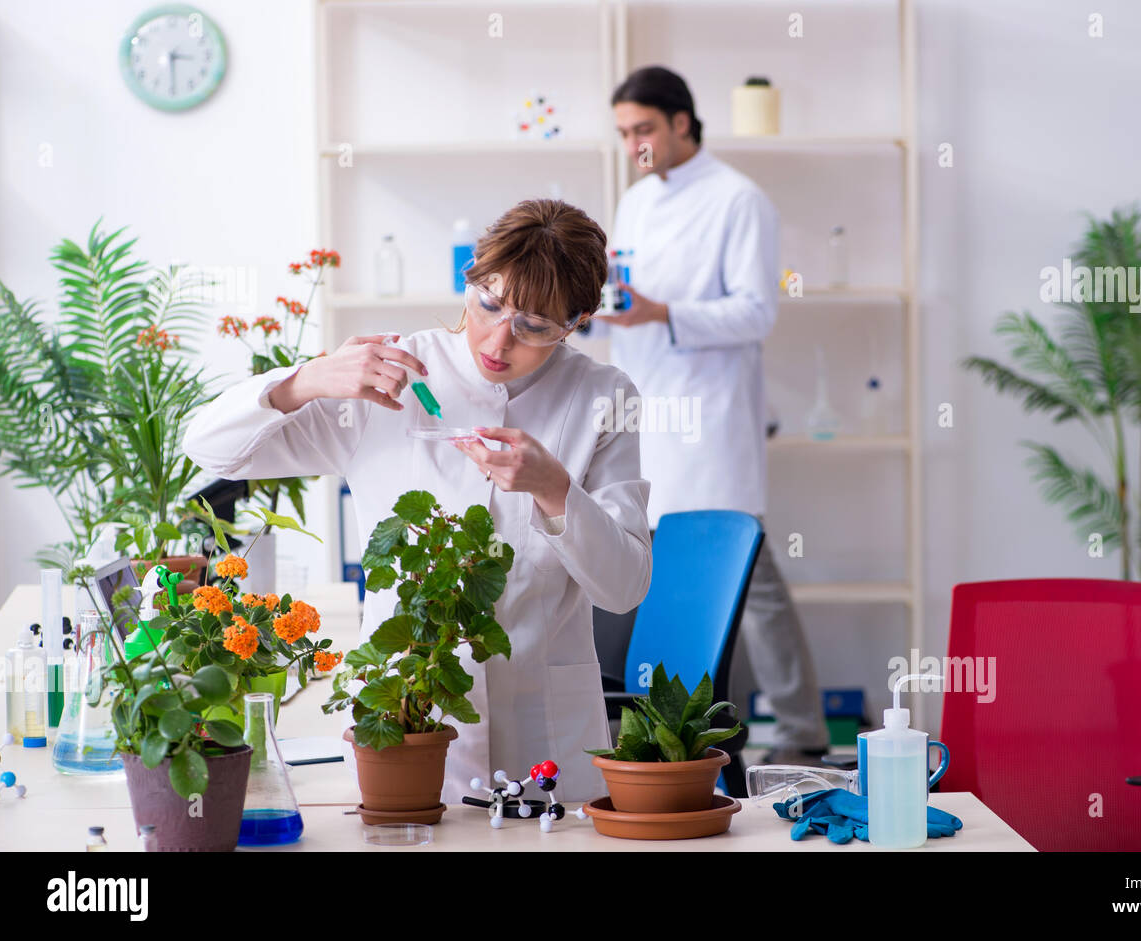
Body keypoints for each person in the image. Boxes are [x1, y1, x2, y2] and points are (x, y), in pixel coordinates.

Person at [182, 199, 652, 804]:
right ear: (471, 276)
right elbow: (209, 450)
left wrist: (554, 489)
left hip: (545, 734)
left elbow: (624, 587)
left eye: (536, 326)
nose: (500, 339)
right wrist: (309, 379)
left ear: (577, 321)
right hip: (405, 724)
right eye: (489, 303)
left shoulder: (603, 396)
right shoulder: (390, 372)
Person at [590, 65, 829, 765]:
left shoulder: (739, 200)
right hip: (649, 408)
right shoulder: (635, 201)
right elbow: (624, 298)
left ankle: (802, 729)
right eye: (623, 133)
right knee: (634, 568)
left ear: (682, 123)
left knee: (748, 576)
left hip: (713, 417)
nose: (634, 145)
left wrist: (660, 311)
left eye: (643, 130)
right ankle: (636, 729)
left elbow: (756, 312)